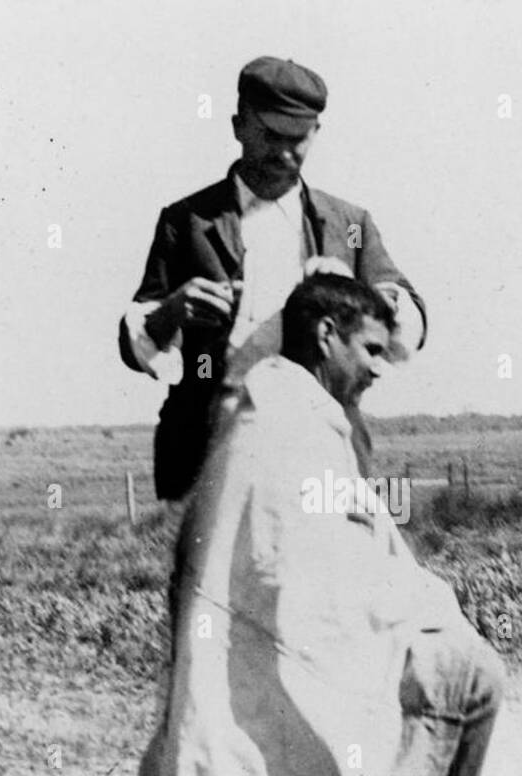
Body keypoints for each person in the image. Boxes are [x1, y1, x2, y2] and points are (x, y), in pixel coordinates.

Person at [138, 275, 505, 776]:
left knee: (447, 642)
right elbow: (304, 580)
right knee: (473, 670)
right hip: (292, 658)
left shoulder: (285, 409)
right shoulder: (283, 422)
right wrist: (415, 603)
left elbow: (332, 556)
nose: (376, 367)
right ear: (326, 336)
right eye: (369, 349)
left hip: (286, 650)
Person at [118, 55, 426, 500]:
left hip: (326, 442)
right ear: (238, 125)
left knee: (334, 563)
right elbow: (136, 346)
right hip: (210, 442)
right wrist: (171, 312)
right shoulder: (185, 221)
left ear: (316, 133)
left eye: (297, 139)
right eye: (269, 135)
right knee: (214, 566)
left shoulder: (350, 223)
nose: (283, 153)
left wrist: (363, 296)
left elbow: (409, 325)